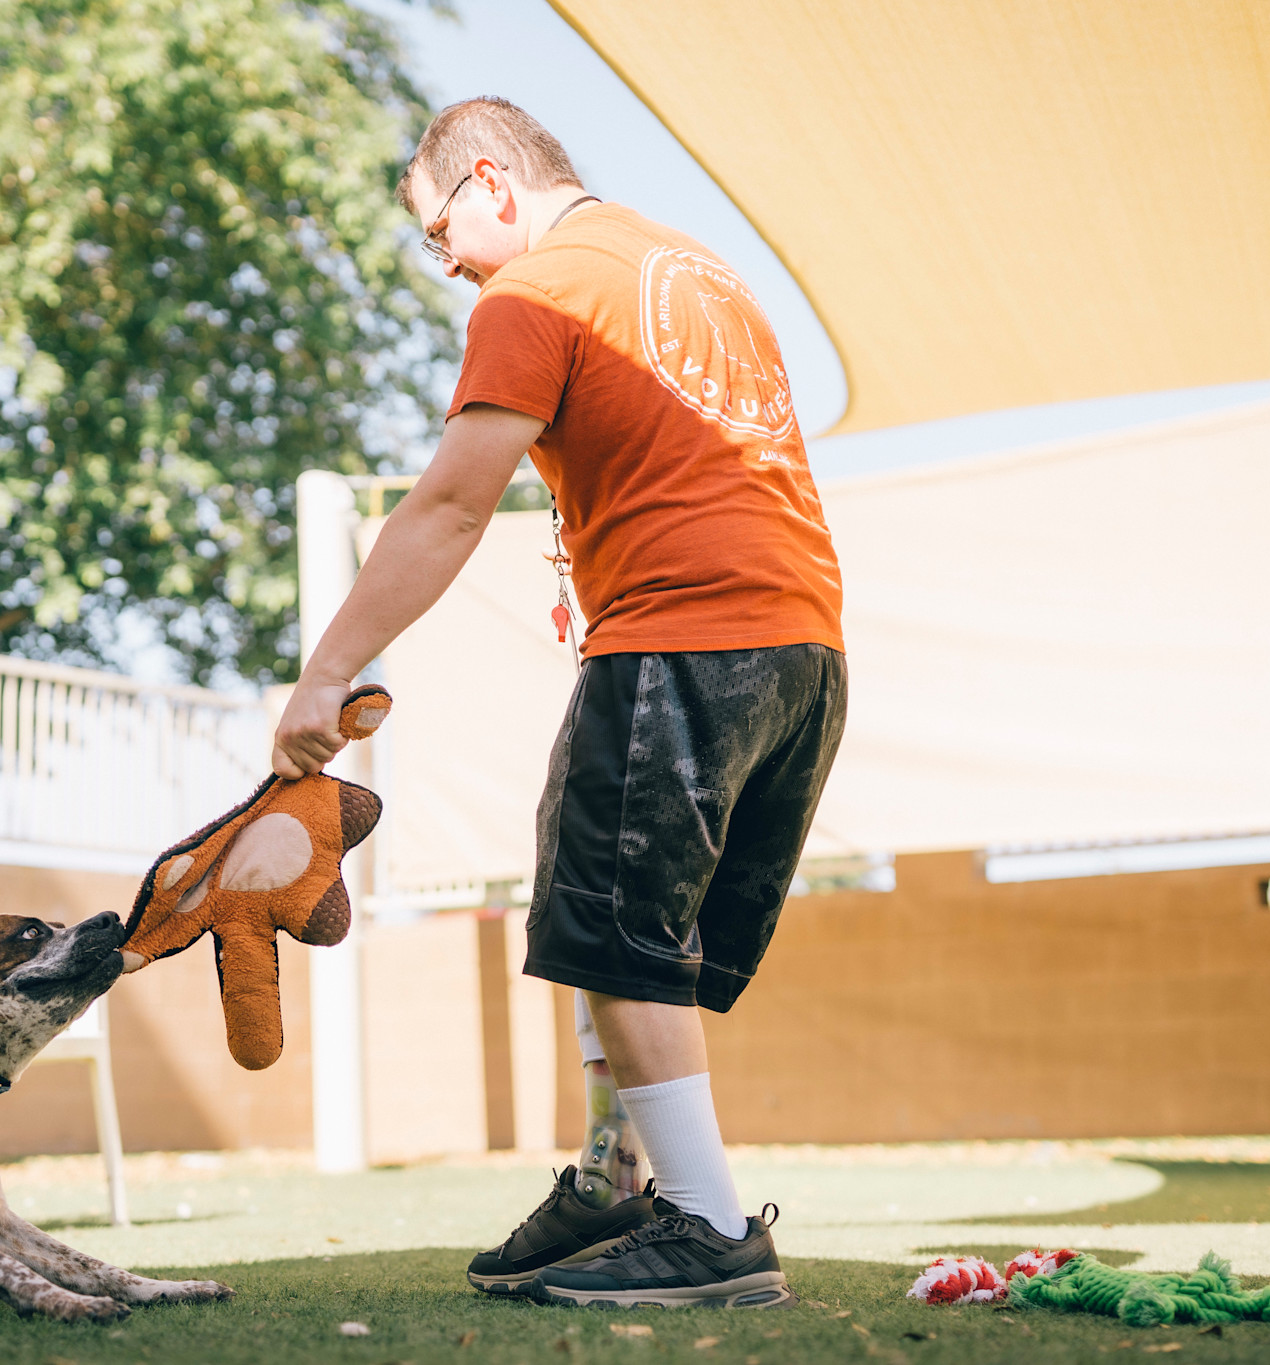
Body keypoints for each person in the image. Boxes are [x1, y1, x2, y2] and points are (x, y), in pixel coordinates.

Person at [271, 97, 847, 1310]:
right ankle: (611, 1177)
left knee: (617, 932)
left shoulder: (532, 291)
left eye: (440, 234)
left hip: (684, 637)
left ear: (487, 182)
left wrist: (326, 674)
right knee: (615, 915)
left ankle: (708, 1226)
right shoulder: (694, 268)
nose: (450, 264)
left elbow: (446, 505)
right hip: (800, 651)